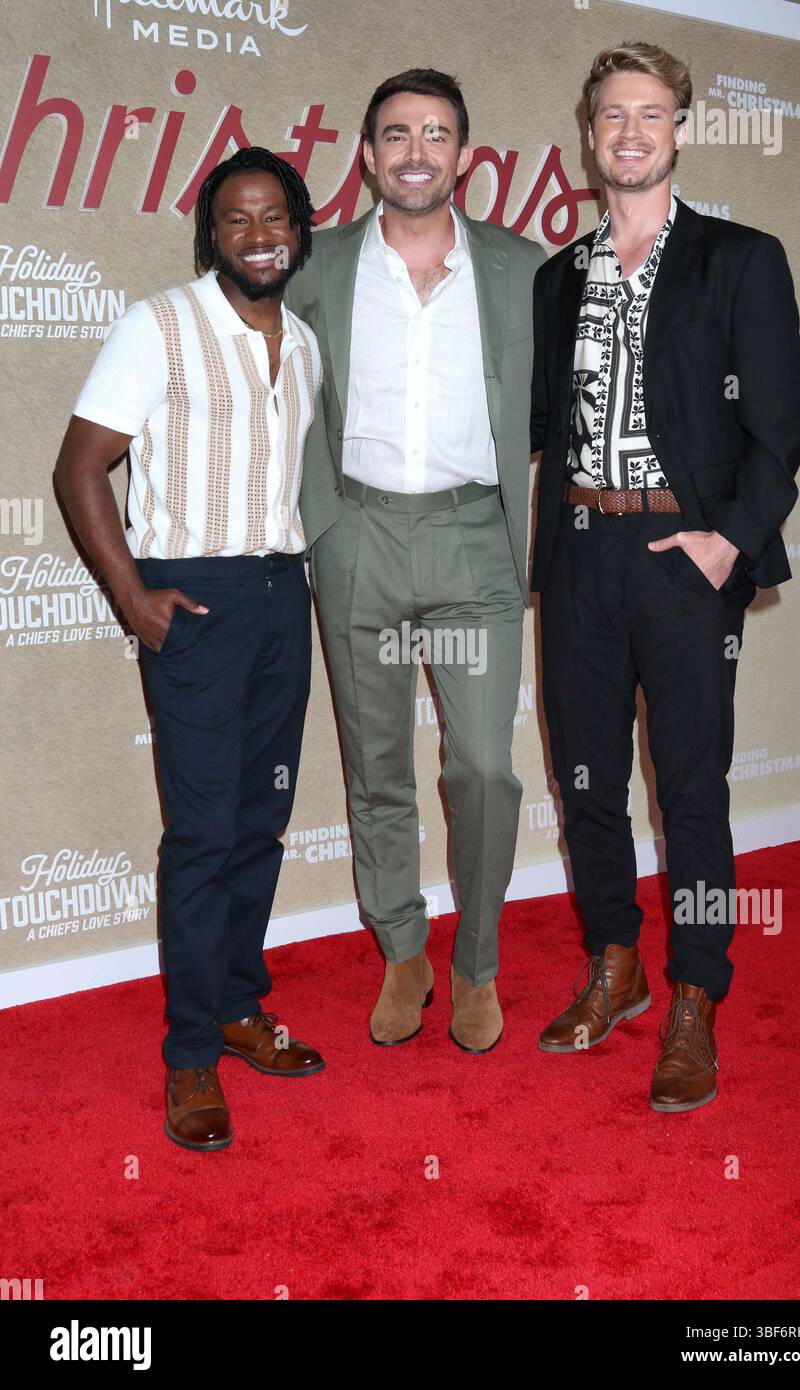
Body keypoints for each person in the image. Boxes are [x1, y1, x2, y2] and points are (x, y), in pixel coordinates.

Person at [530, 42, 800, 1110]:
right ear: (588, 132)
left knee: (688, 789)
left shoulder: (740, 257)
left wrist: (723, 543)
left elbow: (778, 423)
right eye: (611, 115)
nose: (630, 132)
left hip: (684, 559)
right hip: (580, 554)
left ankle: (694, 990)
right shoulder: (560, 277)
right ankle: (616, 963)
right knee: (586, 781)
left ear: (678, 128)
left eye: (650, 113)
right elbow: (541, 426)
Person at [54, 148, 325, 1152]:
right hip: (195, 601)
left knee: (260, 821)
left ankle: (237, 1004)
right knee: (203, 832)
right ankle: (188, 1058)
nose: (258, 236)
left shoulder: (301, 341)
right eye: (235, 221)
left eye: (273, 218)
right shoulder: (157, 324)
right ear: (211, 236)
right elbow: (80, 464)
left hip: (277, 589)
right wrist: (134, 598)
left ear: (300, 227)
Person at [287, 69, 546, 1053]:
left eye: (435, 134)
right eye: (396, 134)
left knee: (482, 766)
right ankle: (403, 950)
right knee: (377, 763)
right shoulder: (316, 265)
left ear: (463, 158)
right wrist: (319, 523)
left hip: (474, 539)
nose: (414, 151)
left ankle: (475, 959)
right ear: (366, 155)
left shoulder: (523, 269)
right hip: (358, 537)